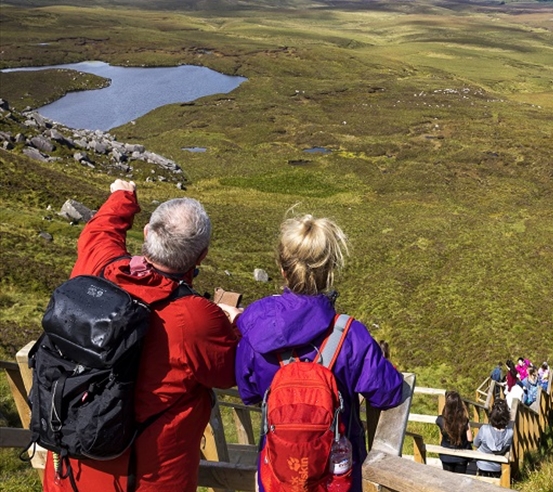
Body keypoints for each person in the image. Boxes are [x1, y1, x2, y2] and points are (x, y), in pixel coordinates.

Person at [43, 179, 240, 492]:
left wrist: (123, 195)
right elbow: (231, 371)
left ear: (147, 233)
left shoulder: (99, 269)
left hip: (71, 473)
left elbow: (101, 231)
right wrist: (232, 323)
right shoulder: (195, 317)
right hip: (144, 480)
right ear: (200, 256)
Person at [235, 212, 404, 492]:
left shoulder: (254, 331)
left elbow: (249, 392)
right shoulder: (351, 336)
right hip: (336, 479)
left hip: (278, 475)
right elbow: (390, 392)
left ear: (282, 269)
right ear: (330, 271)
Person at [473, 398, 514, 478]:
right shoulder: (510, 433)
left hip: (482, 464)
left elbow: (475, 444)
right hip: (497, 466)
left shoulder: (484, 429)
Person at [435, 390, 473, 474]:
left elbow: (441, 419)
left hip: (446, 456)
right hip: (461, 457)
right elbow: (470, 439)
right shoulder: (464, 421)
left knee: (448, 478)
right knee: (460, 480)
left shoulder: (440, 420)